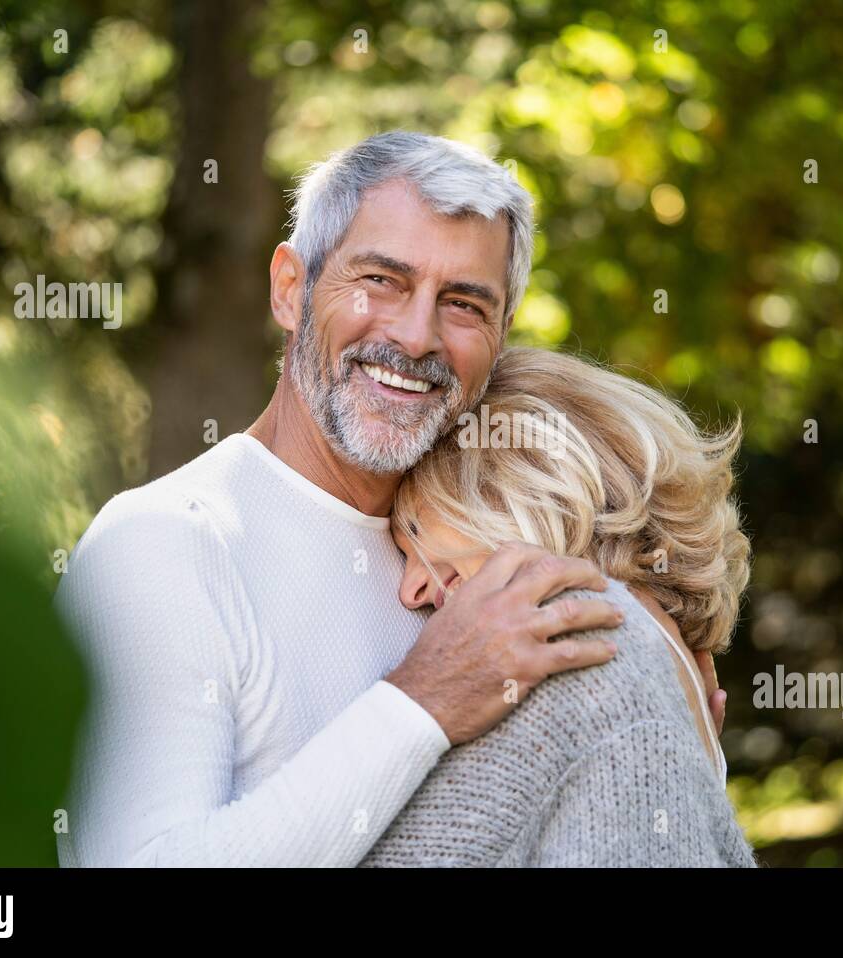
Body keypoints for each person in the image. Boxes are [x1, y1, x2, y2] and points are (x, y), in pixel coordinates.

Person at [54, 131, 725, 867]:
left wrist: (670, 705)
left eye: (464, 303)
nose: (414, 336)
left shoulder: (466, 537)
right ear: (291, 287)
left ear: (501, 336)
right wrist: (424, 699)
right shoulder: (166, 541)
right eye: (381, 280)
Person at [361, 347, 756, 866]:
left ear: (512, 486)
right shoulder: (635, 650)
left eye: (413, 532)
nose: (410, 590)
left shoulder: (587, 653)